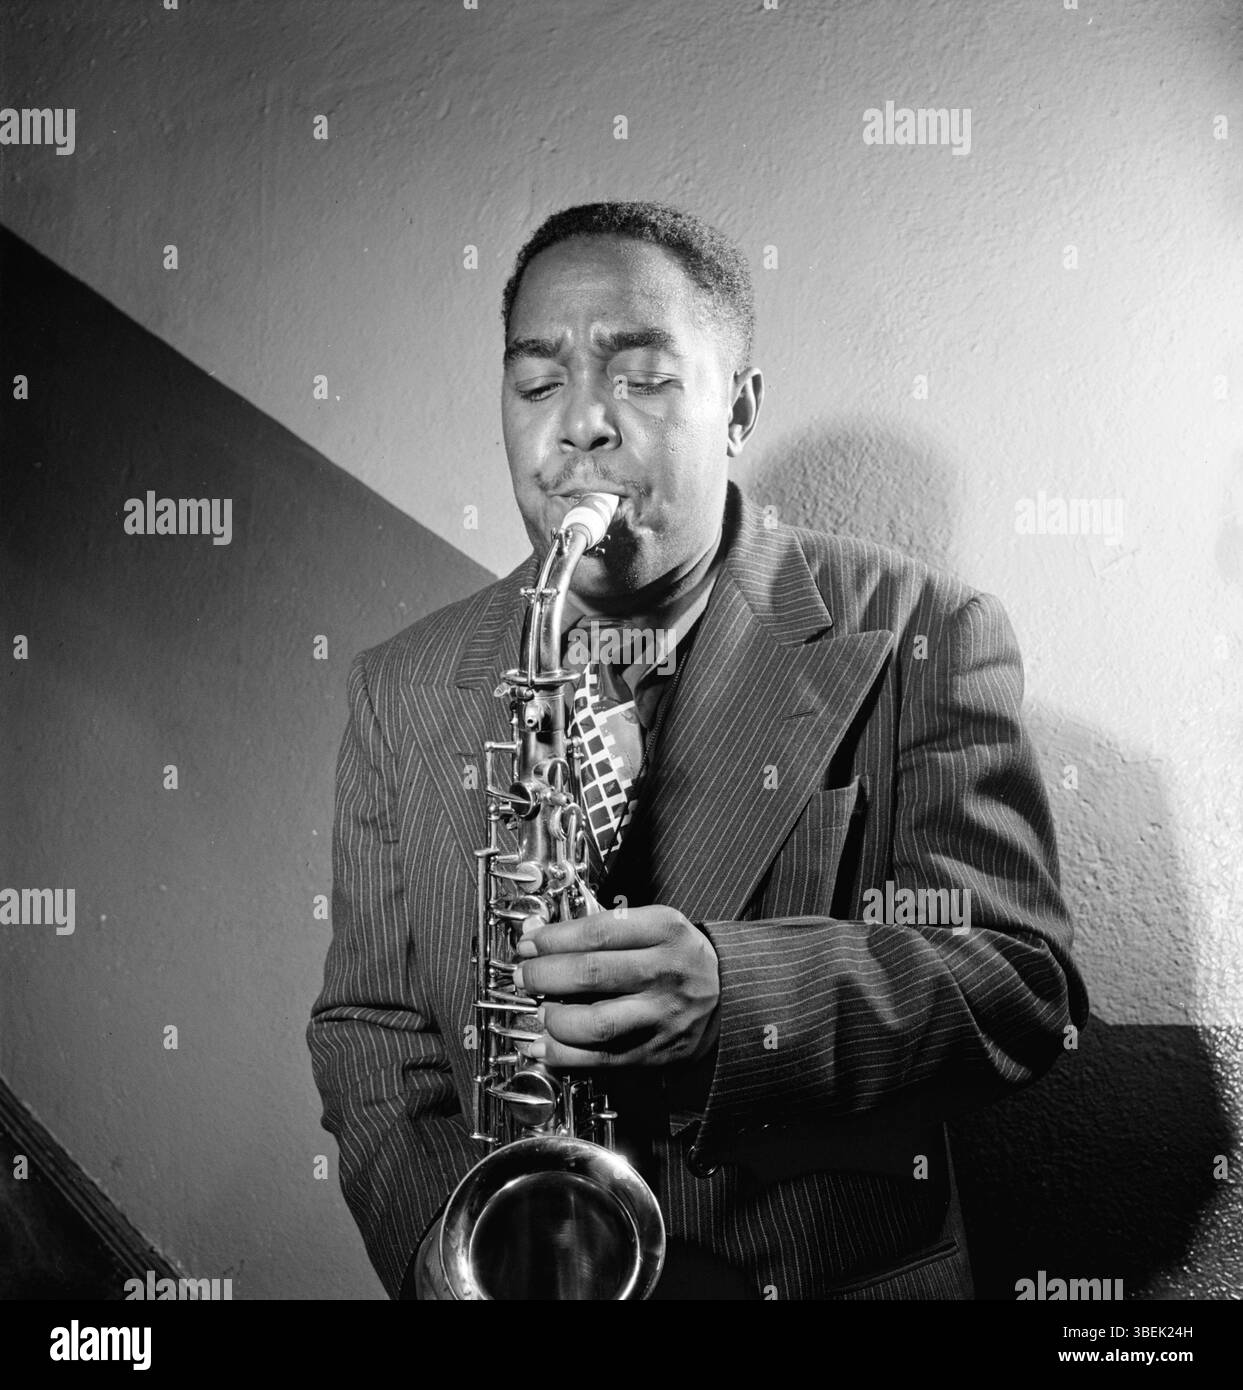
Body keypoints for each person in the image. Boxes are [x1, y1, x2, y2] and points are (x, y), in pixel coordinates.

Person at [307, 201, 1089, 1300]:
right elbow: (369, 1029)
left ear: (737, 408)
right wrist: (454, 1256)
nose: (578, 424)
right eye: (535, 384)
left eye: (639, 377)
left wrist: (734, 996)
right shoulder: (399, 686)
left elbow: (1021, 989)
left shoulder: (926, 632)